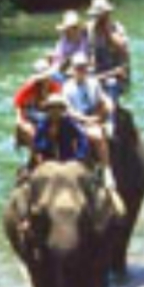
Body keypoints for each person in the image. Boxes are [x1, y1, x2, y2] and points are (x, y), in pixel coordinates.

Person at [61, 53, 117, 190]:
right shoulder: (67, 87)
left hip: (93, 115)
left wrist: (108, 105)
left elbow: (101, 98)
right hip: (76, 121)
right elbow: (69, 111)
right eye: (78, 68)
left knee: (105, 132)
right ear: (73, 70)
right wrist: (86, 120)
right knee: (96, 135)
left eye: (84, 67)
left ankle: (106, 169)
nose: (82, 70)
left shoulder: (93, 83)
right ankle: (100, 169)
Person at [87, 0, 129, 104]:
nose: (98, 19)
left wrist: (107, 32)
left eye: (102, 16)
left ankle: (111, 115)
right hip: (96, 72)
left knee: (111, 84)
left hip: (115, 73)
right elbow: (89, 53)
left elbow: (123, 51)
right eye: (97, 16)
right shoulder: (89, 29)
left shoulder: (117, 28)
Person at [13, 58, 60, 147]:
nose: (46, 79)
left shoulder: (54, 85)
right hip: (33, 112)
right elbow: (18, 102)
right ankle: (41, 147)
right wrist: (18, 118)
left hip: (48, 111)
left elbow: (59, 99)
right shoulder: (30, 87)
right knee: (42, 121)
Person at [32, 92, 90, 165]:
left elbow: (82, 136)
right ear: (48, 110)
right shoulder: (43, 124)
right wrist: (39, 159)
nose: (55, 111)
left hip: (67, 158)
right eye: (52, 108)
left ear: (62, 110)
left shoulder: (69, 122)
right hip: (48, 159)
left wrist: (79, 156)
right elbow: (37, 145)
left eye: (58, 108)